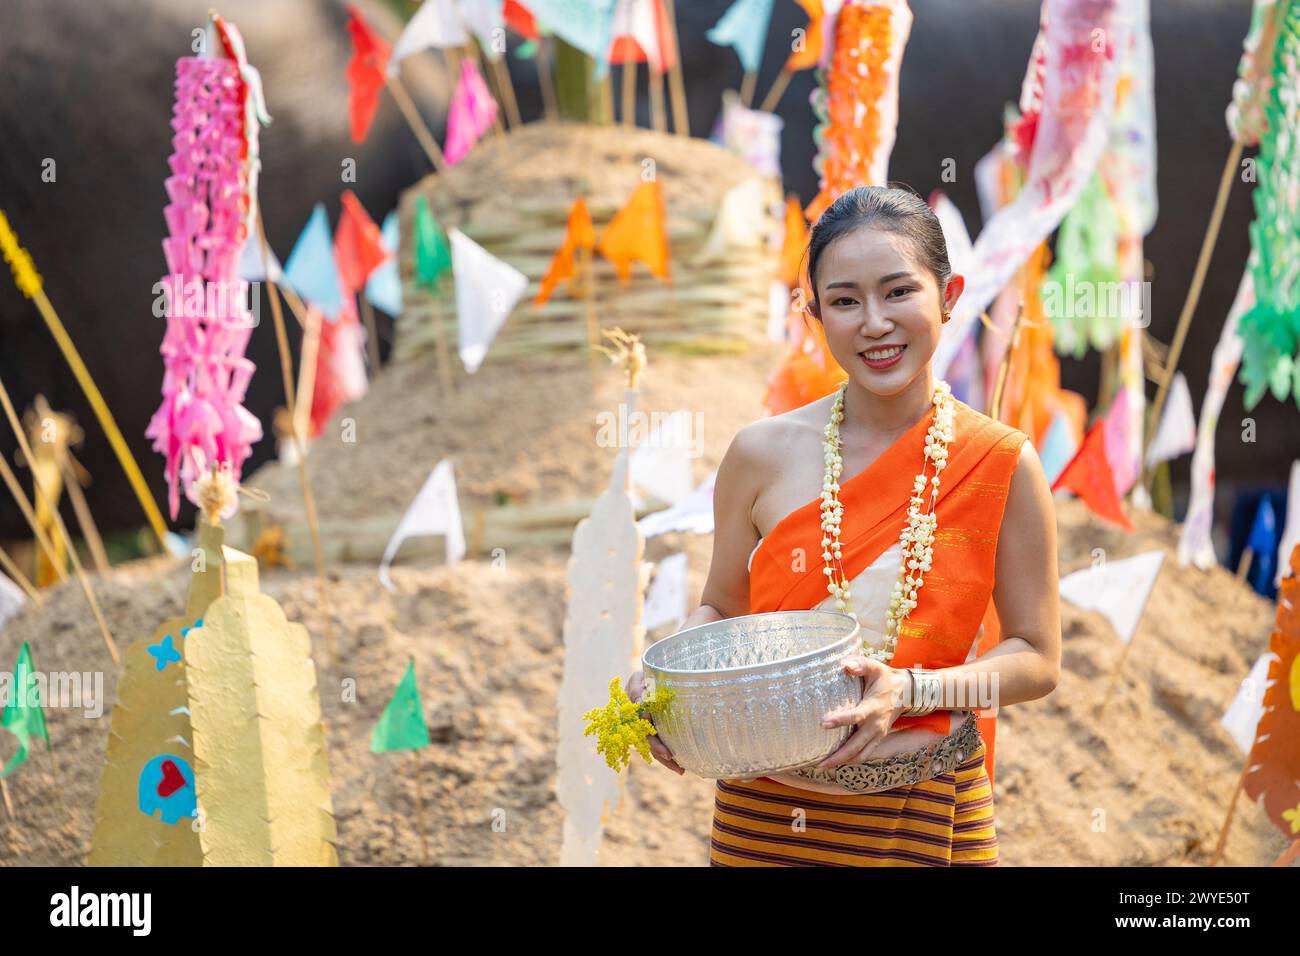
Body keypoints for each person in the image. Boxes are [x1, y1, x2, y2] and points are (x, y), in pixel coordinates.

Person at [627, 184, 1062, 866]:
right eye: (844, 301)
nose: (875, 323)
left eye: (898, 292)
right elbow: (721, 607)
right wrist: (667, 679)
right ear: (814, 314)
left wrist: (915, 689)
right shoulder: (759, 454)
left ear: (949, 296)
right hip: (766, 809)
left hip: (926, 807)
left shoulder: (1002, 463)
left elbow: (1037, 660)